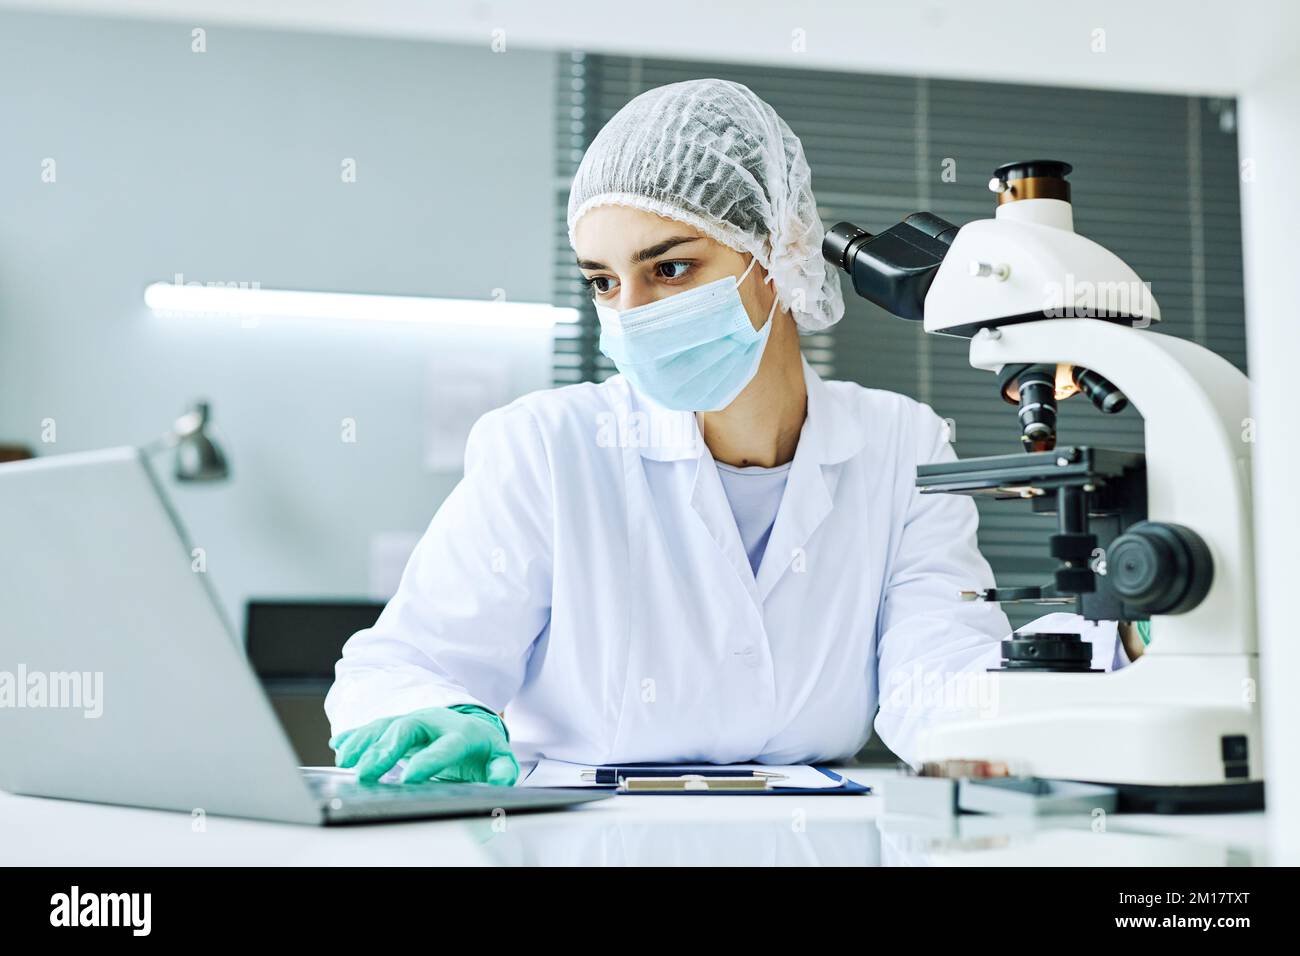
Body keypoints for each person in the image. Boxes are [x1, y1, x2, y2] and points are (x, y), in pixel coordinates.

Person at [324, 78, 1012, 786]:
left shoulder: (903, 444)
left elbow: (940, 656)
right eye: (603, 281)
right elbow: (409, 662)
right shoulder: (545, 448)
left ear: (783, 249)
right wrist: (447, 713)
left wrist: (990, 729)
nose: (631, 312)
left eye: (670, 267)